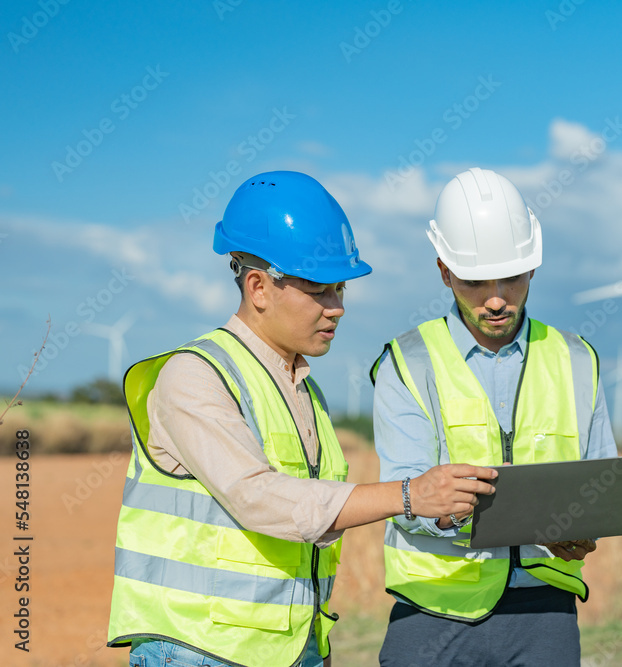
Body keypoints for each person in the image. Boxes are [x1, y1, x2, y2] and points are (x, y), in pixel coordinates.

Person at [106, 171, 498, 667]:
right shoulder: (195, 375)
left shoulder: (303, 389)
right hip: (198, 649)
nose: (337, 309)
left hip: (292, 646)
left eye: (340, 290)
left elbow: (317, 515)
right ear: (259, 287)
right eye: (319, 290)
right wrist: (408, 496)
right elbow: (258, 497)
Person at [371, 167, 618, 666]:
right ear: (444, 271)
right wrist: (478, 515)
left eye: (511, 275)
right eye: (475, 280)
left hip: (544, 612)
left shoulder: (577, 358)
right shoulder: (407, 361)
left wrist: (582, 528)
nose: (497, 297)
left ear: (534, 266)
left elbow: (600, 479)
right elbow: (404, 491)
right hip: (432, 609)